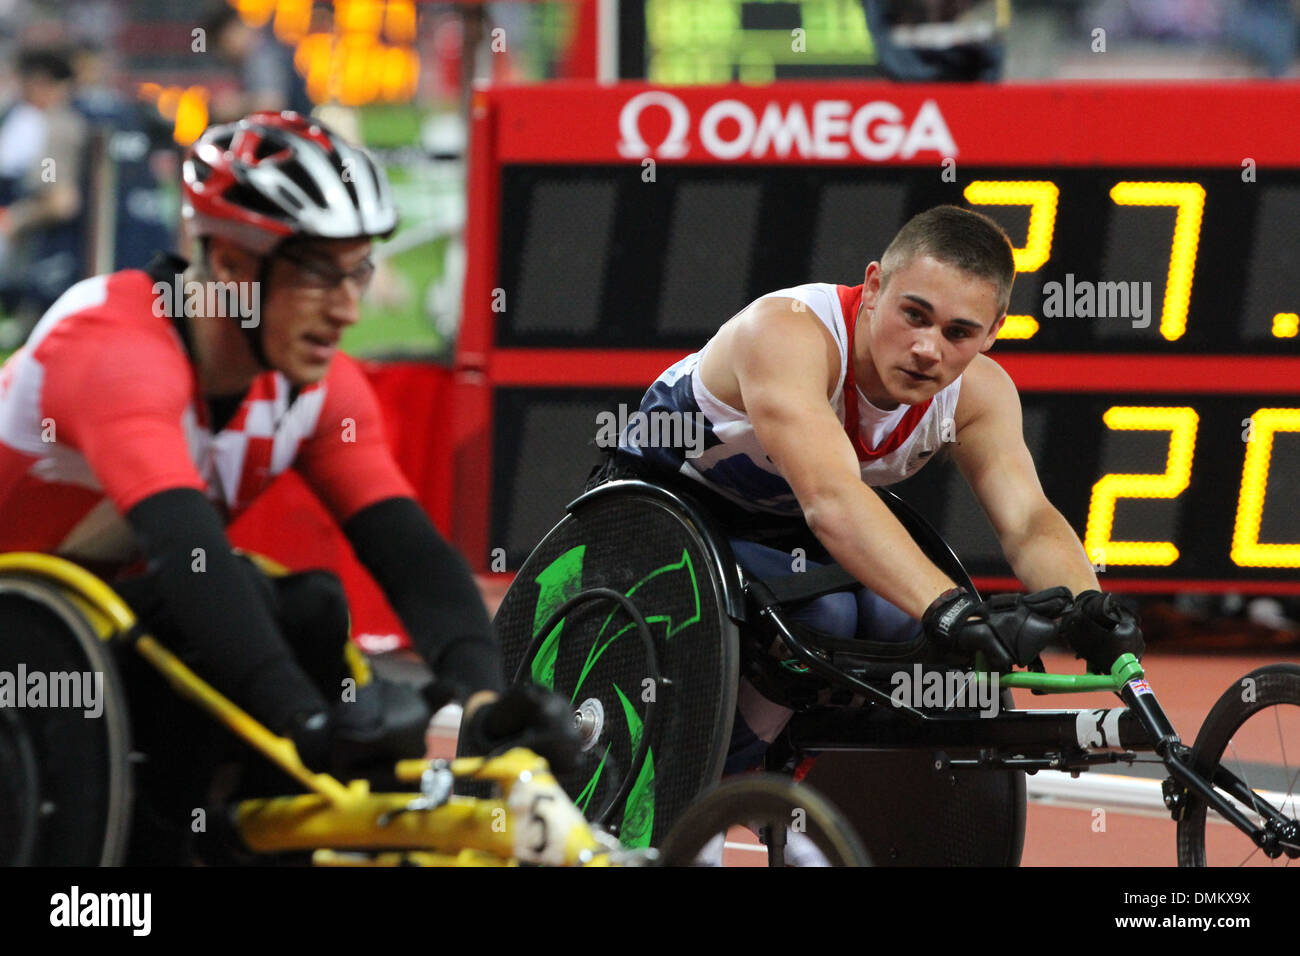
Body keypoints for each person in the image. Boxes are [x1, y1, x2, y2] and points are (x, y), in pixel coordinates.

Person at [0, 111, 577, 859]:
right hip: (32, 653)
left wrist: (484, 702)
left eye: (358, 271)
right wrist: (303, 724)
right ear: (235, 267)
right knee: (228, 616)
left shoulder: (315, 387)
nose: (348, 309)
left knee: (312, 609)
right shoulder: (116, 347)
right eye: (318, 275)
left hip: (78, 634)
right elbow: (189, 556)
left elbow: (409, 552)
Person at [599, 205, 1143, 773]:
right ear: (876, 285)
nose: (929, 349)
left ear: (993, 331)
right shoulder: (786, 332)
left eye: (958, 332)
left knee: (903, 628)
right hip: (665, 506)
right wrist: (958, 613)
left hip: (786, 529)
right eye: (915, 315)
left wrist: (1088, 607)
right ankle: (713, 787)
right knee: (828, 614)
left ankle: (792, 780)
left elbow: (1028, 520)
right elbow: (832, 498)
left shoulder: (980, 396)